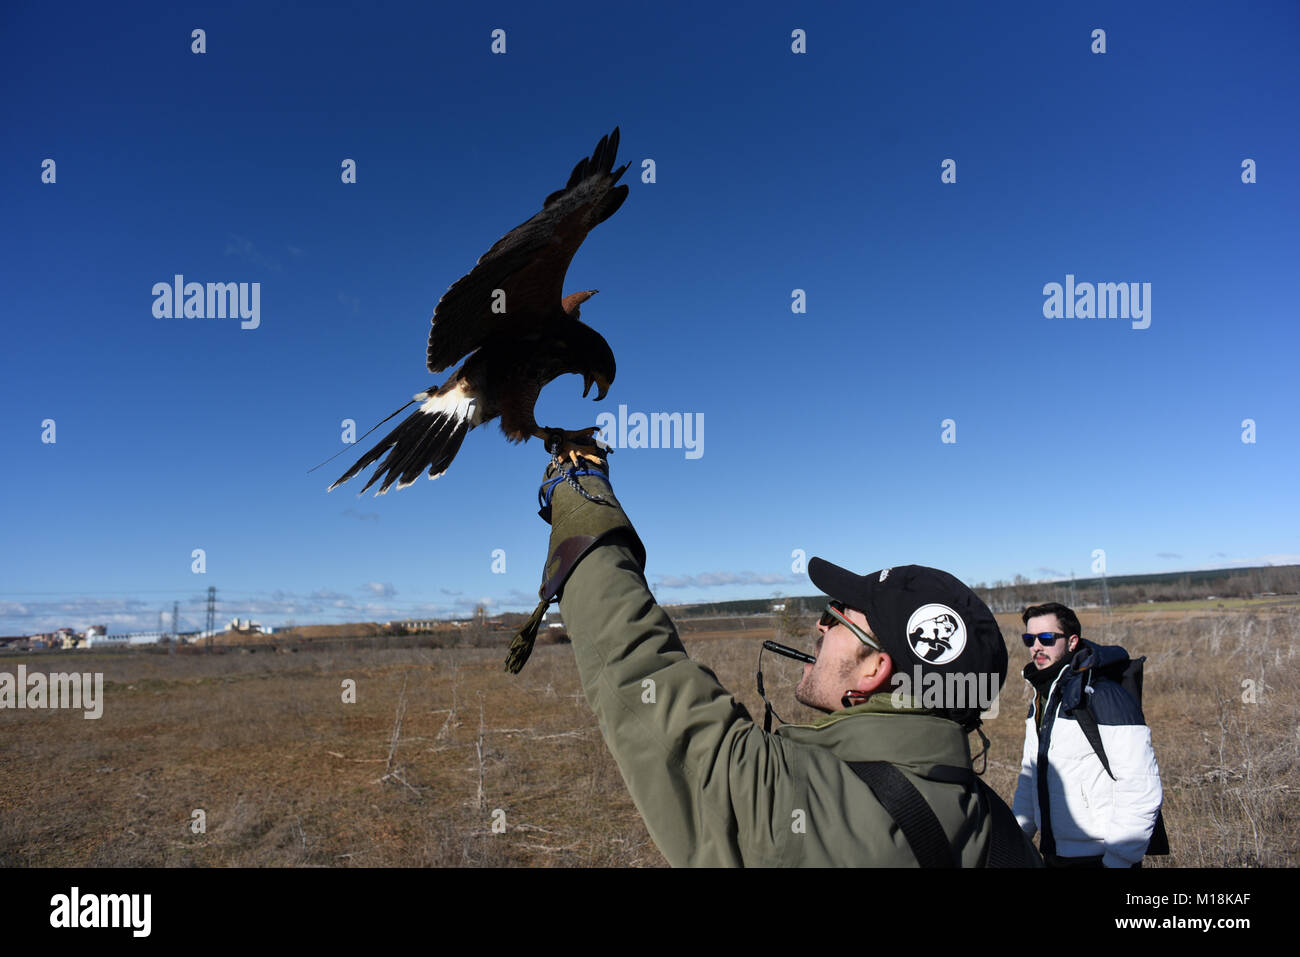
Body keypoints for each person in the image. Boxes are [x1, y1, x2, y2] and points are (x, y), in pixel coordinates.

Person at [505, 449, 1040, 867]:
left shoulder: (803, 810)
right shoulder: (997, 830)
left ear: (876, 670)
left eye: (837, 618)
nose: (819, 624)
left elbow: (640, 670)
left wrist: (581, 501)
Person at [1012, 601, 1164, 867]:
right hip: (1054, 853)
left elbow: (1140, 785)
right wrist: (1017, 840)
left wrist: (1118, 860)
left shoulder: (1104, 695)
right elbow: (1030, 774)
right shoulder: (1042, 699)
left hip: (1099, 857)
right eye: (1030, 638)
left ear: (1072, 642)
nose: (1036, 646)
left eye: (1047, 638)